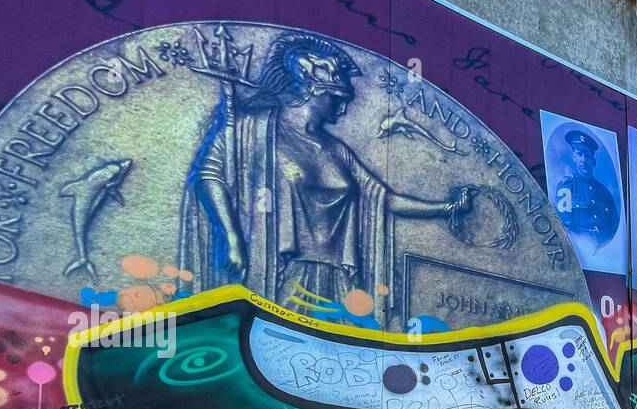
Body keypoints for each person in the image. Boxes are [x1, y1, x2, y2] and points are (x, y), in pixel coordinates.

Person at [180, 31, 474, 320]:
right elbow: (209, 176)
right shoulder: (251, 130)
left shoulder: (338, 151)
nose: (344, 108)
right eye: (337, 98)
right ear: (315, 91)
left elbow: (384, 199)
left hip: (337, 281)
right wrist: (232, 237)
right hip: (279, 274)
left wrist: (446, 208)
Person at [555, 129, 620, 250]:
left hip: (606, 254)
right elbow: (565, 227)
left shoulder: (604, 193)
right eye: (580, 154)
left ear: (593, 161)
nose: (584, 160)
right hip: (578, 252)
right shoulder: (567, 187)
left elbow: (614, 228)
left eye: (587, 155)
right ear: (574, 157)